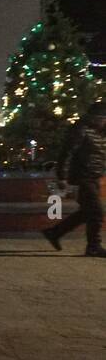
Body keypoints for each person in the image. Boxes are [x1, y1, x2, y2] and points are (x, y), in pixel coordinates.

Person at [43, 101, 106, 257]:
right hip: (82, 176)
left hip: (94, 175)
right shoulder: (82, 129)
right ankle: (93, 246)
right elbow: (67, 152)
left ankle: (54, 233)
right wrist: (61, 176)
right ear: (97, 117)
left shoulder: (101, 132)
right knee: (97, 211)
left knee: (87, 212)